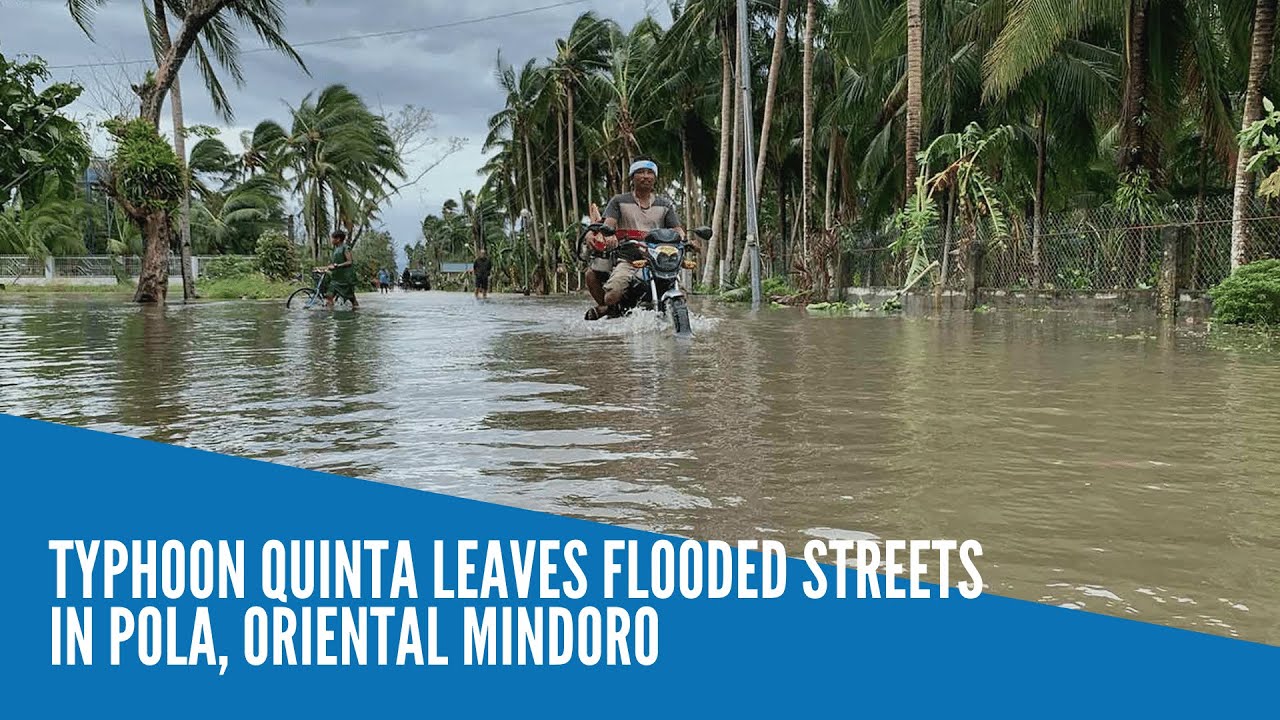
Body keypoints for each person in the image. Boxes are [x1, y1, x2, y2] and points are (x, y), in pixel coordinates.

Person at [587, 159, 697, 320]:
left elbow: (677, 230)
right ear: (632, 177)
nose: (646, 176)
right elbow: (609, 224)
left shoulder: (665, 204)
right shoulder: (619, 201)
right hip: (629, 258)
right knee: (612, 295)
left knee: (682, 293)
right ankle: (610, 309)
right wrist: (608, 234)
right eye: (640, 172)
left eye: (650, 172)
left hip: (657, 260)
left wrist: (687, 241)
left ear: (655, 177)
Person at [318, 230, 359, 310]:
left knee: (351, 298)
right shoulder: (336, 249)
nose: (331, 240)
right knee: (329, 296)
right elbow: (333, 264)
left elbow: (349, 261)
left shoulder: (345, 248)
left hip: (346, 279)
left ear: (338, 239)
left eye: (332, 238)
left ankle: (356, 312)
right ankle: (331, 314)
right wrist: (323, 268)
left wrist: (337, 266)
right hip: (336, 278)